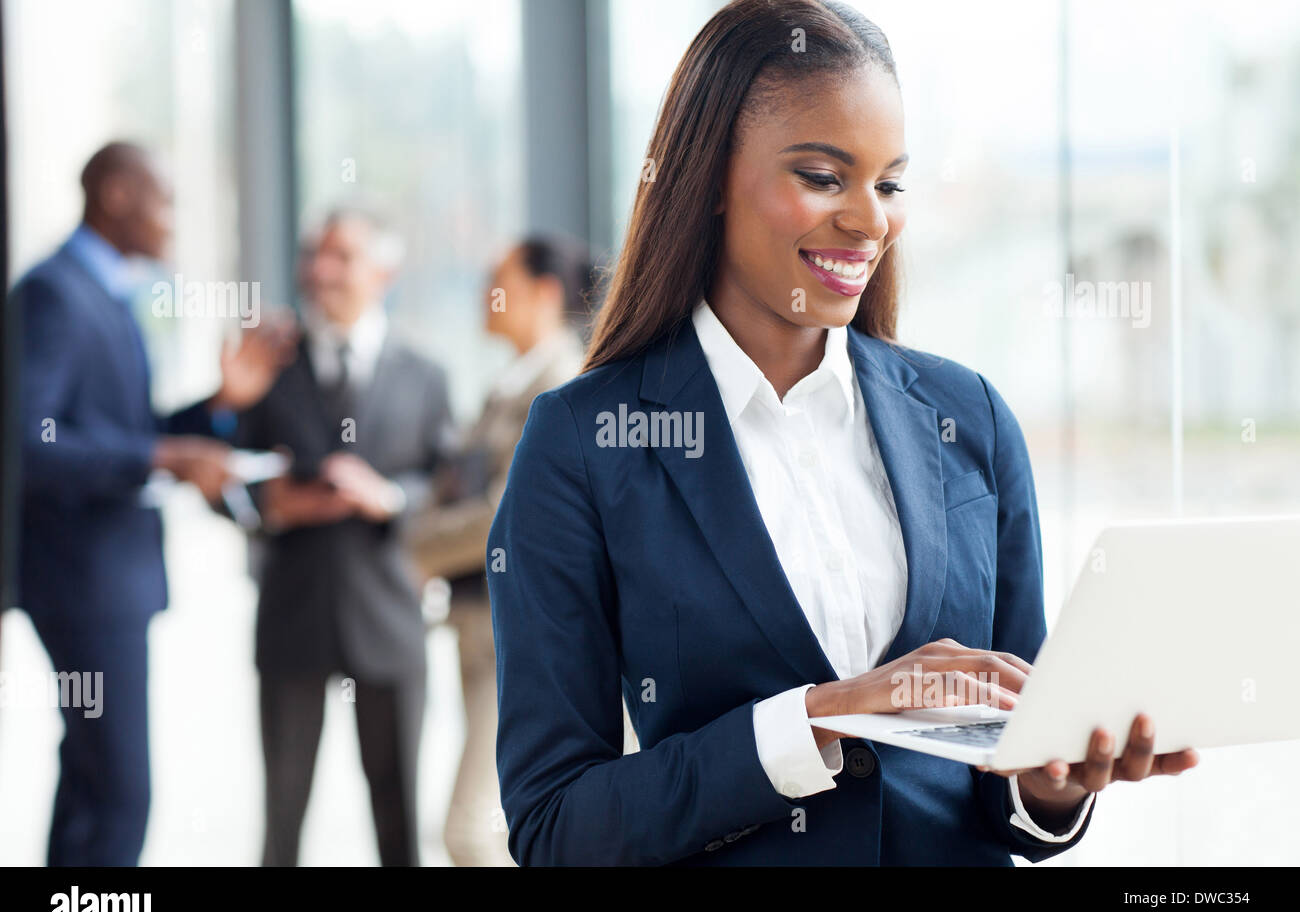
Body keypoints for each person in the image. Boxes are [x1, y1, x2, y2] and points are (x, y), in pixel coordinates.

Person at [487, 0, 1199, 866]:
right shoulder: (583, 445)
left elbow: (1007, 761)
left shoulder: (967, 417)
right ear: (709, 178)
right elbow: (556, 826)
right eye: (824, 177)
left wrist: (1053, 781)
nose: (871, 221)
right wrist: (825, 715)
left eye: (889, 183)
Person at [11, 141, 291, 866]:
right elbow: (29, 442)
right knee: (120, 792)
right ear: (115, 196)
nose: (174, 218)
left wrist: (221, 405)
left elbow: (127, 434)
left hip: (105, 579)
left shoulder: (107, 292)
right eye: (165, 199)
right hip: (79, 580)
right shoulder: (53, 292)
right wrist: (164, 456)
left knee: (93, 780)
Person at [236, 204, 453, 866]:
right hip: (292, 617)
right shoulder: (266, 363)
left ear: (383, 273)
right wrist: (271, 506)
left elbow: (448, 485)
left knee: (399, 819)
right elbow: (230, 472)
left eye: (341, 257)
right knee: (282, 818)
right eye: (313, 254)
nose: (320, 270)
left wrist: (388, 498)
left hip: (388, 618)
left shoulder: (426, 372)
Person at [405, 236, 592, 866]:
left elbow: (503, 512)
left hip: (523, 634)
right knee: (501, 816)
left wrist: (416, 549)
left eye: (498, 279)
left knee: (469, 830)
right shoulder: (508, 386)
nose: (485, 294)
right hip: (479, 626)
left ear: (543, 293)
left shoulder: (558, 385)